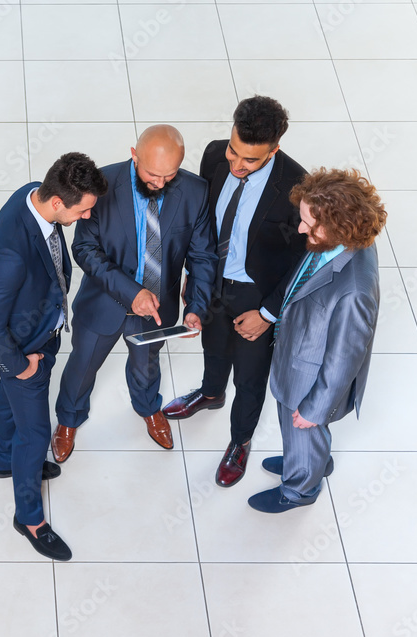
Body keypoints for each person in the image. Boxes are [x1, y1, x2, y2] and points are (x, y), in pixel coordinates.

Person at [162, 96, 308, 488]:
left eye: (249, 161)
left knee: (250, 374)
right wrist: (196, 274)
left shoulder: (297, 186)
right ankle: (211, 393)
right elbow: (201, 221)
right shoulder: (214, 155)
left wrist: (268, 315)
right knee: (214, 344)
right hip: (212, 279)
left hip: (256, 295)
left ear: (274, 149)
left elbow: (303, 262)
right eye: (233, 152)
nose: (235, 165)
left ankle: (240, 441)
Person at [0, 152, 108, 561]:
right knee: (34, 434)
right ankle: (29, 518)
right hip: (22, 347)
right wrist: (19, 365)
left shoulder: (32, 194)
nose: (86, 217)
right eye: (82, 210)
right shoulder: (10, 257)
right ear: (57, 203)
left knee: (6, 399)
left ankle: (2, 460)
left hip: (38, 326)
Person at [51, 125, 217, 460]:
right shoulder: (102, 186)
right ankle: (69, 419)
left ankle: (147, 408)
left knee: (147, 366)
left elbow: (202, 256)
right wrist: (132, 292)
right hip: (103, 303)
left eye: (169, 176)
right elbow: (84, 248)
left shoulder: (196, 192)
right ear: (133, 155)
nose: (159, 183)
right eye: (152, 174)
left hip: (159, 307)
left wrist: (197, 306)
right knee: (83, 365)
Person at [248, 168, 385, 513]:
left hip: (309, 384)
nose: (300, 229)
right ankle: (309, 461)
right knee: (302, 437)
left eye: (310, 223)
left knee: (304, 428)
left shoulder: (354, 289)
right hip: (296, 361)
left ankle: (300, 489)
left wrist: (316, 408)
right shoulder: (336, 243)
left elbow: (345, 357)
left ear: (340, 225)